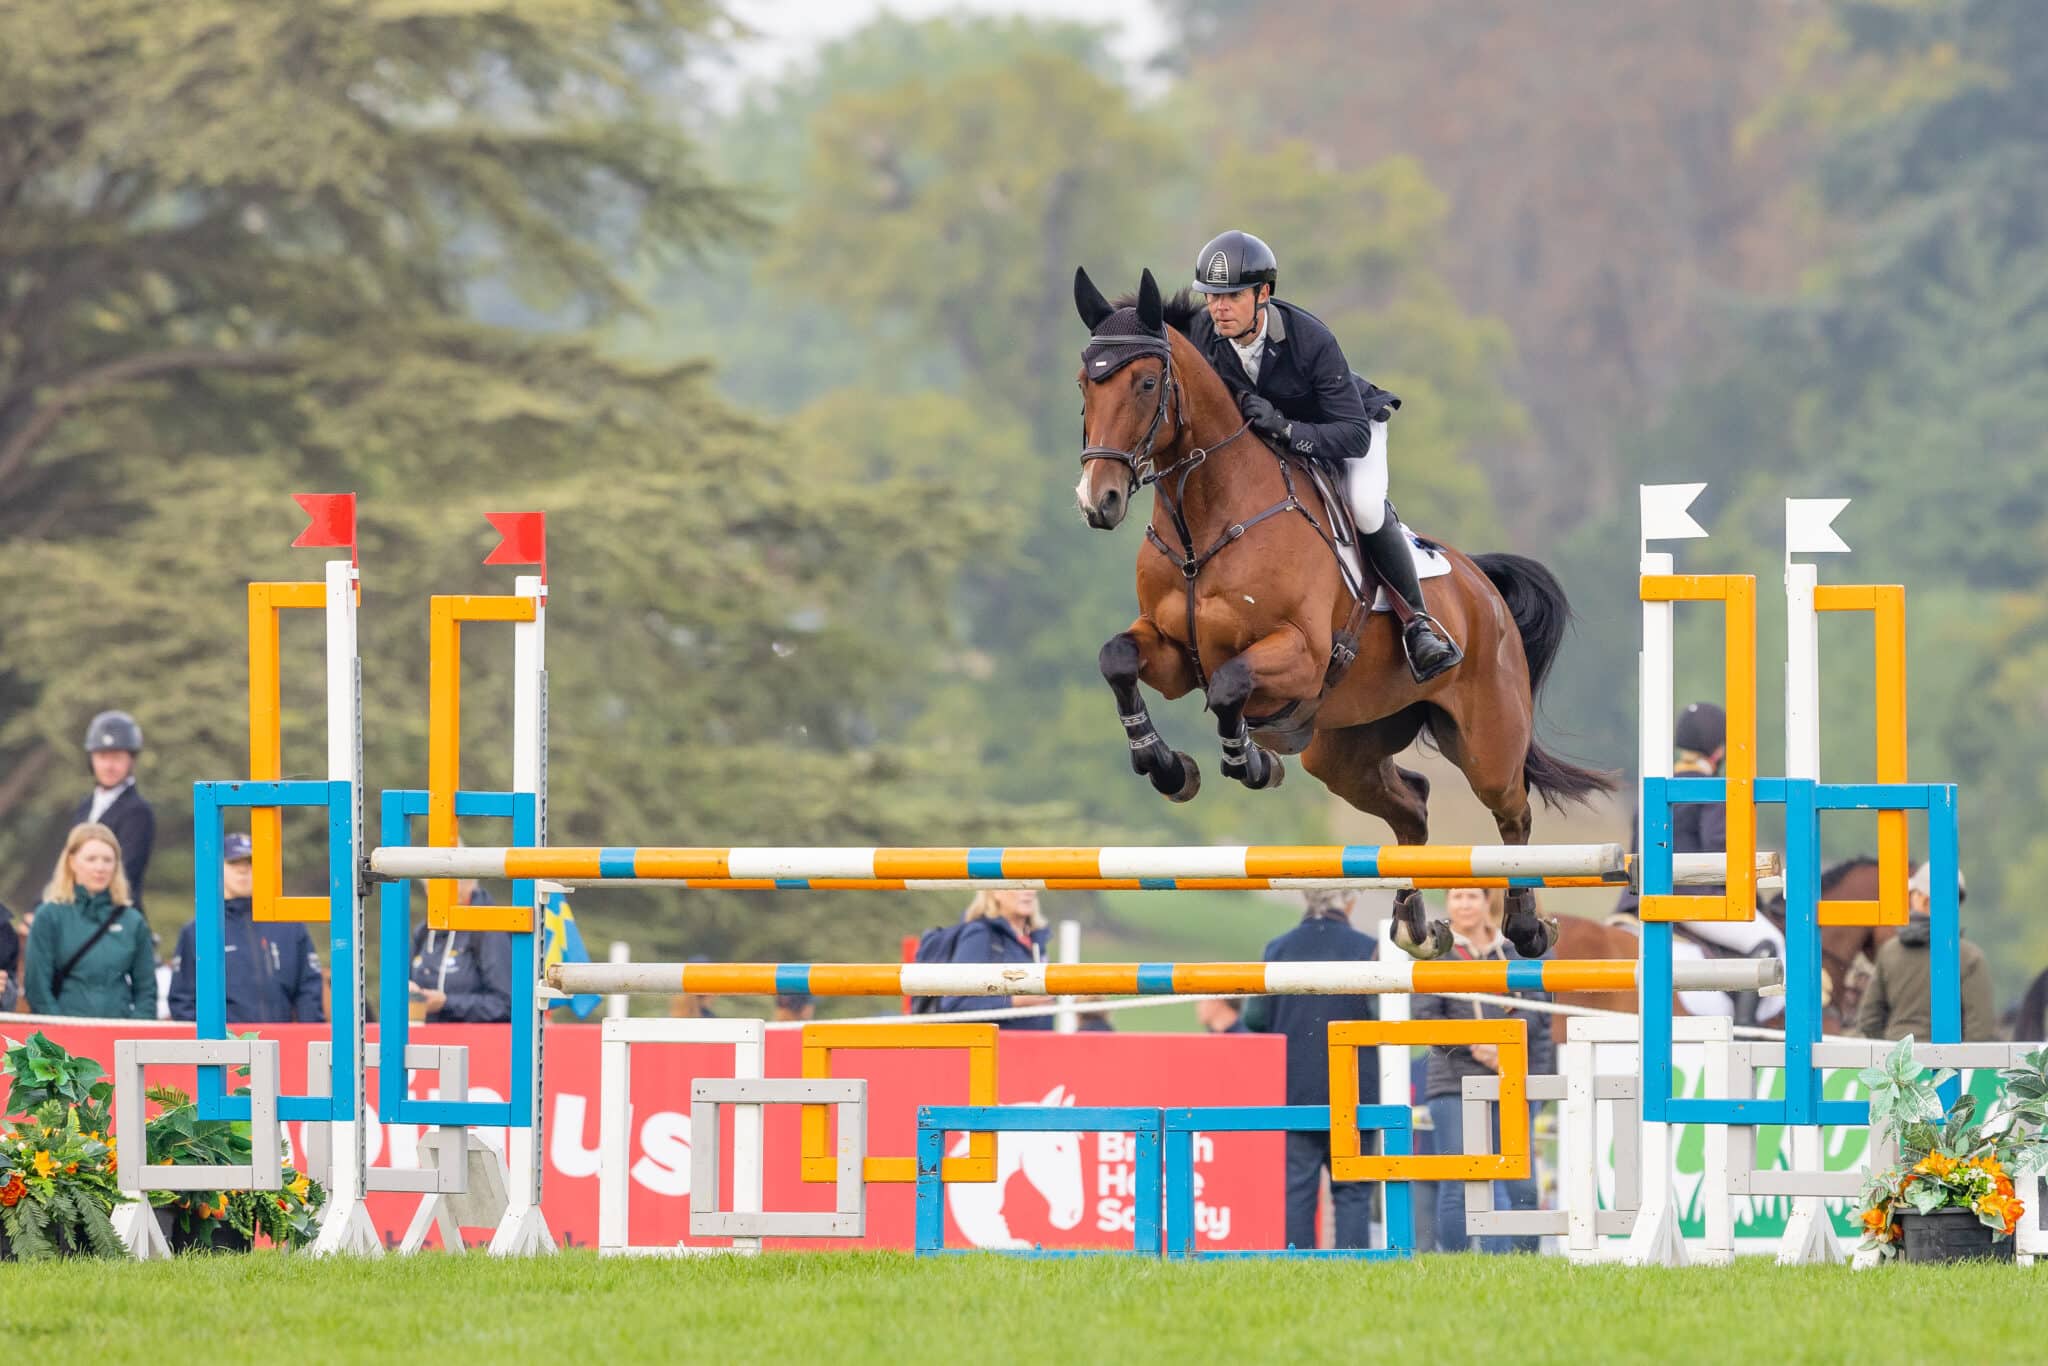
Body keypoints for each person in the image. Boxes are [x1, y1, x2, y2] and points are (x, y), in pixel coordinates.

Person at [1185, 229, 1459, 682]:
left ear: (1263, 294)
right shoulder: (1203, 334)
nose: (1219, 308)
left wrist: (1287, 429)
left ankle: (1418, 625)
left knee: (1365, 506)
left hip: (1349, 428)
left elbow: (1353, 436)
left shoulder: (1310, 339)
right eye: (1212, 296)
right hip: (1276, 443)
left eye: (1233, 296)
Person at [1612, 700, 1782, 1022]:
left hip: (1637, 900)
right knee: (1768, 941)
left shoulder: (1654, 791)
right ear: (1718, 750)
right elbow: (1720, 849)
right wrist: (1754, 901)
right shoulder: (1712, 788)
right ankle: (1743, 1033)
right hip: (1691, 900)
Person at [1411, 886, 1554, 1253]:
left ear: (1487, 900)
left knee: (1521, 1182)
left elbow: (1538, 1009)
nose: (1464, 904)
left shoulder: (1513, 949)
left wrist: (1504, 1046)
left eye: (1471, 896)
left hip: (1511, 1077)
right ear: (1447, 903)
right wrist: (1480, 1044)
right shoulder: (1434, 954)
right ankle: (1457, 1266)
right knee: (1460, 1181)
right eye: (1456, 897)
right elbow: (1426, 1018)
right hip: (1454, 1083)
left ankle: (1523, 1266)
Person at [1242, 889, 1379, 1250]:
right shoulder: (1369, 950)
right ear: (1350, 902)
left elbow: (1254, 1018)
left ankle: (1298, 1264)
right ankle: (1354, 1268)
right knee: (1353, 1190)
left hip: (1294, 1088)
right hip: (1355, 1089)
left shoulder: (1277, 950)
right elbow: (1382, 1016)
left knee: (1298, 1189)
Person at [166, 833, 325, 1024]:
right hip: (224, 1042)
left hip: (281, 1039)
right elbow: (183, 1002)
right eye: (234, 862)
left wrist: (307, 1037)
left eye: (250, 862)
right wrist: (215, 1041)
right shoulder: (198, 931)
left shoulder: (290, 926)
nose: (243, 870)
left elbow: (309, 994)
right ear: (217, 868)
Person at [24, 823, 156, 1018]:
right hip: (66, 1030)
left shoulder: (133, 920)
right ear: (71, 861)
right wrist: (59, 1029)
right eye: (91, 859)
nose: (100, 867)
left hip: (120, 1030)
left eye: (108, 860)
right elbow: (37, 989)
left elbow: (146, 990)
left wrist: (134, 1030)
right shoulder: (49, 915)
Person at [1856, 863, 1996, 1042]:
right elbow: (1981, 1029)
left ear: (1922, 899)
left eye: (1912, 894)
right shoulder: (1970, 957)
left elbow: (1869, 1021)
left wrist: (1895, 1050)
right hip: (1948, 1058)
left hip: (1896, 1055)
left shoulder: (1889, 951)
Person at [71, 710, 156, 916]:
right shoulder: (84, 807)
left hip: (117, 915)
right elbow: (65, 862)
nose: (109, 766)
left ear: (131, 760)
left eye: (117, 758)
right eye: (102, 757)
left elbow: (125, 872)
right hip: (77, 909)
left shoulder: (138, 812)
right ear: (91, 759)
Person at [932, 890, 1053, 1030]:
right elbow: (954, 1004)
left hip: (1039, 1040)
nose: (1029, 891)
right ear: (996, 891)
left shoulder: (1036, 937)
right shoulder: (979, 934)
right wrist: (1014, 1001)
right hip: (998, 1041)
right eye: (1018, 884)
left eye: (1031, 883)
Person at [408, 875, 512, 1023]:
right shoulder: (423, 932)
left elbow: (505, 1004)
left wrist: (446, 1003)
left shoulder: (491, 930)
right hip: (425, 1033)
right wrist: (410, 991)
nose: (429, 893)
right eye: (429, 887)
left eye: (438, 887)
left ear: (468, 885)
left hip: (476, 1035)